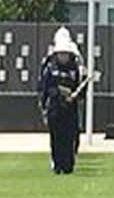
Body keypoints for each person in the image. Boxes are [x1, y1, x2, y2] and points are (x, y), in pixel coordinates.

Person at [36, 28, 85, 175]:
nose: (63, 57)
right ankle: (57, 164)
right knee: (56, 138)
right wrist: (47, 104)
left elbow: (80, 89)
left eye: (65, 54)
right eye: (61, 54)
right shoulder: (50, 68)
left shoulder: (74, 69)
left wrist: (76, 95)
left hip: (70, 109)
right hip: (55, 108)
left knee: (69, 137)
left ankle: (68, 165)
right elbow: (45, 88)